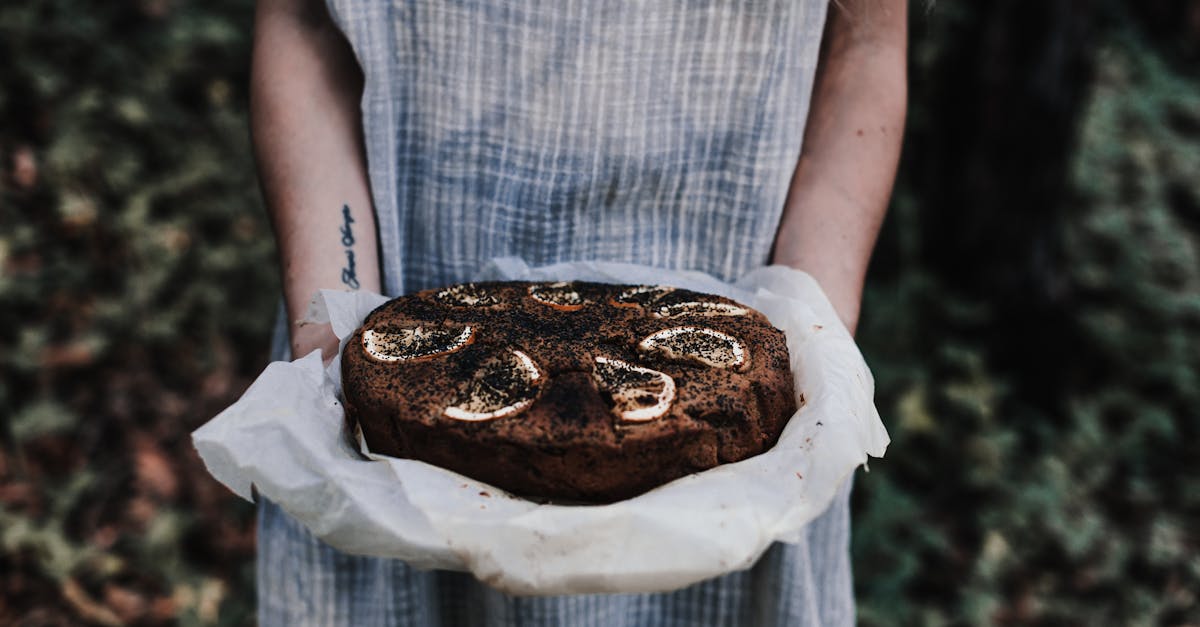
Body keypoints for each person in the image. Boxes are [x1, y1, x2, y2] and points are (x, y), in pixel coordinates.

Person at [250, 0, 906, 624]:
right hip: (391, 398)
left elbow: (867, 42)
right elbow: (304, 20)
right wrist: (330, 327)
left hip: (740, 454)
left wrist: (810, 326)